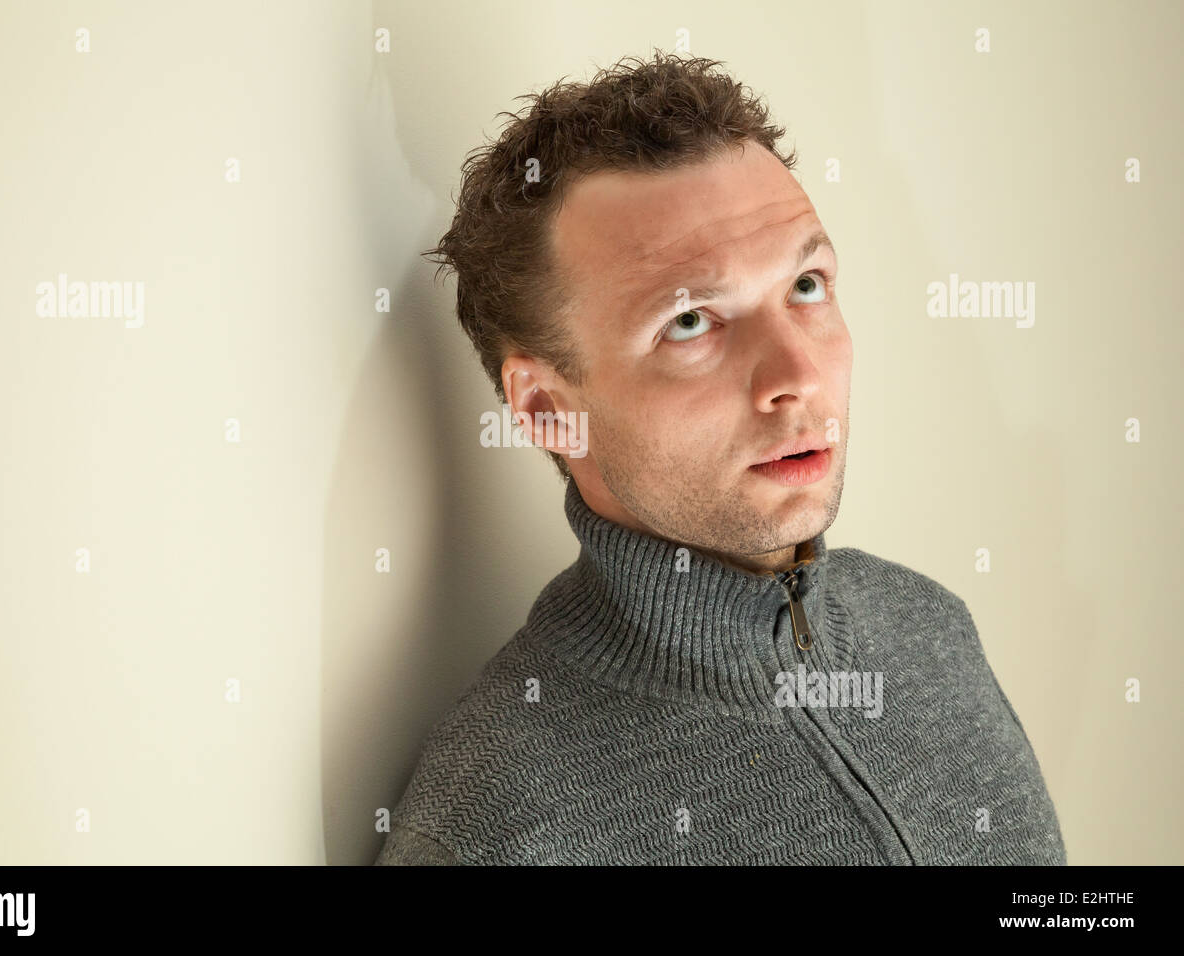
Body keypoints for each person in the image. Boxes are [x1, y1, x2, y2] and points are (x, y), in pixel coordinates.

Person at [376, 50, 1065, 865]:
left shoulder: (929, 629)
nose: (798, 377)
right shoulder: (498, 826)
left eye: (806, 285)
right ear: (548, 408)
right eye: (693, 321)